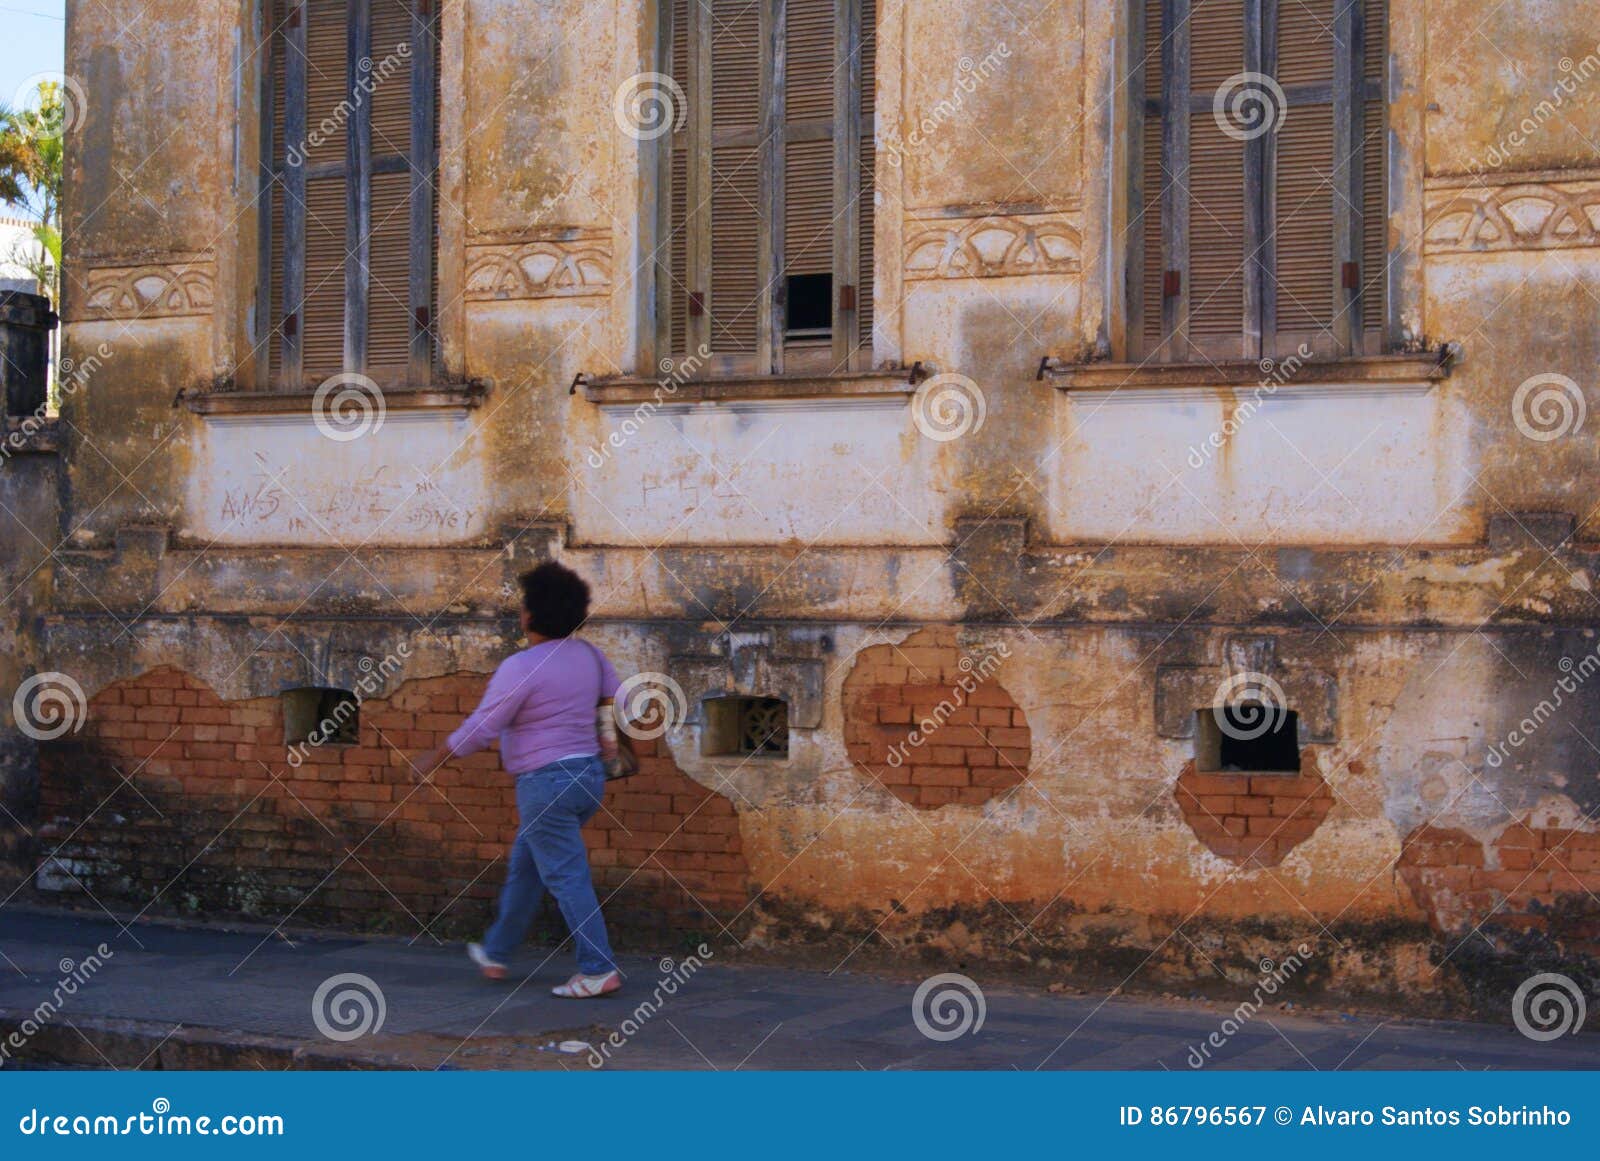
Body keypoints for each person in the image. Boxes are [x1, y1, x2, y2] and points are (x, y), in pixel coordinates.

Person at [413, 562, 623, 999]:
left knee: (567, 877)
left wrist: (436, 755)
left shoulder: (521, 666)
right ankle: (498, 951)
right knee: (527, 868)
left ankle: (598, 969)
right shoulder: (590, 655)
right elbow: (615, 698)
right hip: (587, 779)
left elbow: (484, 726)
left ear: (530, 616)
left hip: (545, 784)